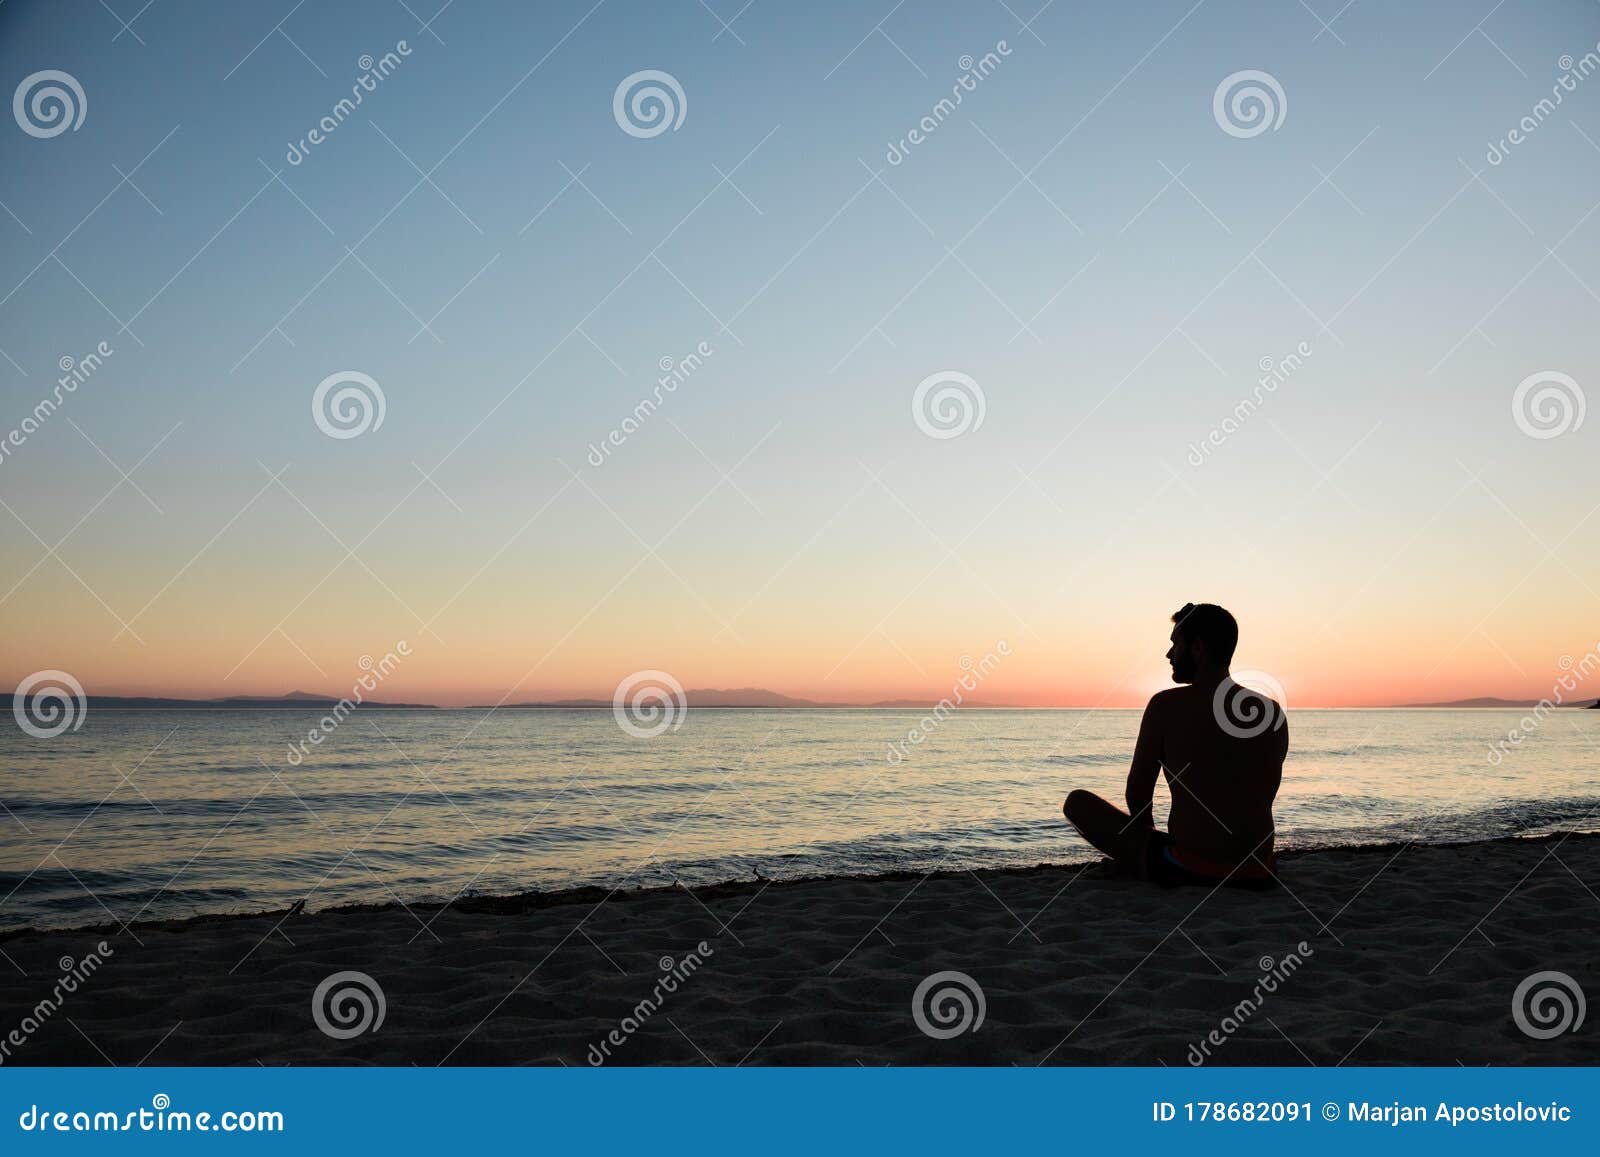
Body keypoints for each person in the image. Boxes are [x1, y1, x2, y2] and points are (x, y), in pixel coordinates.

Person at [1062, 603, 1285, 888]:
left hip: (1194, 868)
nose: (1169, 654)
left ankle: (1145, 864)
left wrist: (1144, 847)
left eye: (1175, 644)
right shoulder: (1272, 711)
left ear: (1198, 648)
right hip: (1258, 871)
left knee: (1077, 803)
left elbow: (1138, 789)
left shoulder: (1165, 706)